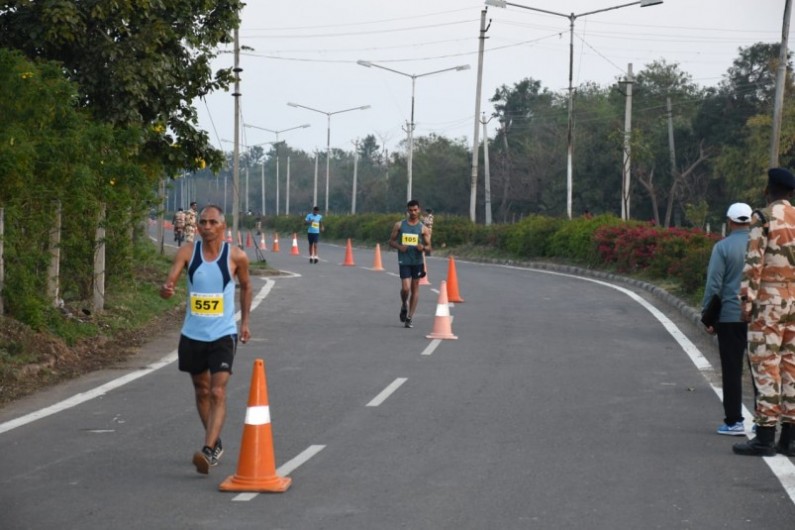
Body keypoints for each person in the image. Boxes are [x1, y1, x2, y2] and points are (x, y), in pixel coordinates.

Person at [160, 204, 252, 473]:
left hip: (223, 334)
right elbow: (171, 280)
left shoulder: (236, 256)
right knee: (201, 390)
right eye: (203, 222)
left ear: (223, 226)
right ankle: (216, 442)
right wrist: (167, 289)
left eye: (212, 222)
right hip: (193, 333)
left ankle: (209, 450)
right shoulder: (188, 252)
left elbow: (246, 286)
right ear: (197, 226)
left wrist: (244, 321)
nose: (207, 227)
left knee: (218, 390)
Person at [734, 168, 795, 457]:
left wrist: (746, 306)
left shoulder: (763, 218)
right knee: (791, 368)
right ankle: (790, 439)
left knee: (766, 366)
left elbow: (753, 265)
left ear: (768, 190)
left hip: (769, 303)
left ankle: (765, 437)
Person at [701, 202, 752, 436]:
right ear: (750, 221)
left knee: (732, 370)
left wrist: (708, 316)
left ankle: (734, 422)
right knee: (763, 371)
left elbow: (714, 284)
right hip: (760, 317)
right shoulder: (761, 245)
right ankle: (765, 423)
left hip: (730, 317)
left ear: (730, 222)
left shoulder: (722, 247)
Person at [389, 200, 431, 329]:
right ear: (407, 210)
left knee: (415, 289)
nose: (413, 212)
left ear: (419, 210)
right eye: (410, 210)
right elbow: (391, 241)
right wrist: (399, 247)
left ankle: (409, 318)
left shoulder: (423, 228)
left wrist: (422, 247)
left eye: (415, 210)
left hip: (417, 262)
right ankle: (404, 305)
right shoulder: (399, 225)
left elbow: (429, 247)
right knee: (406, 288)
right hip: (404, 261)